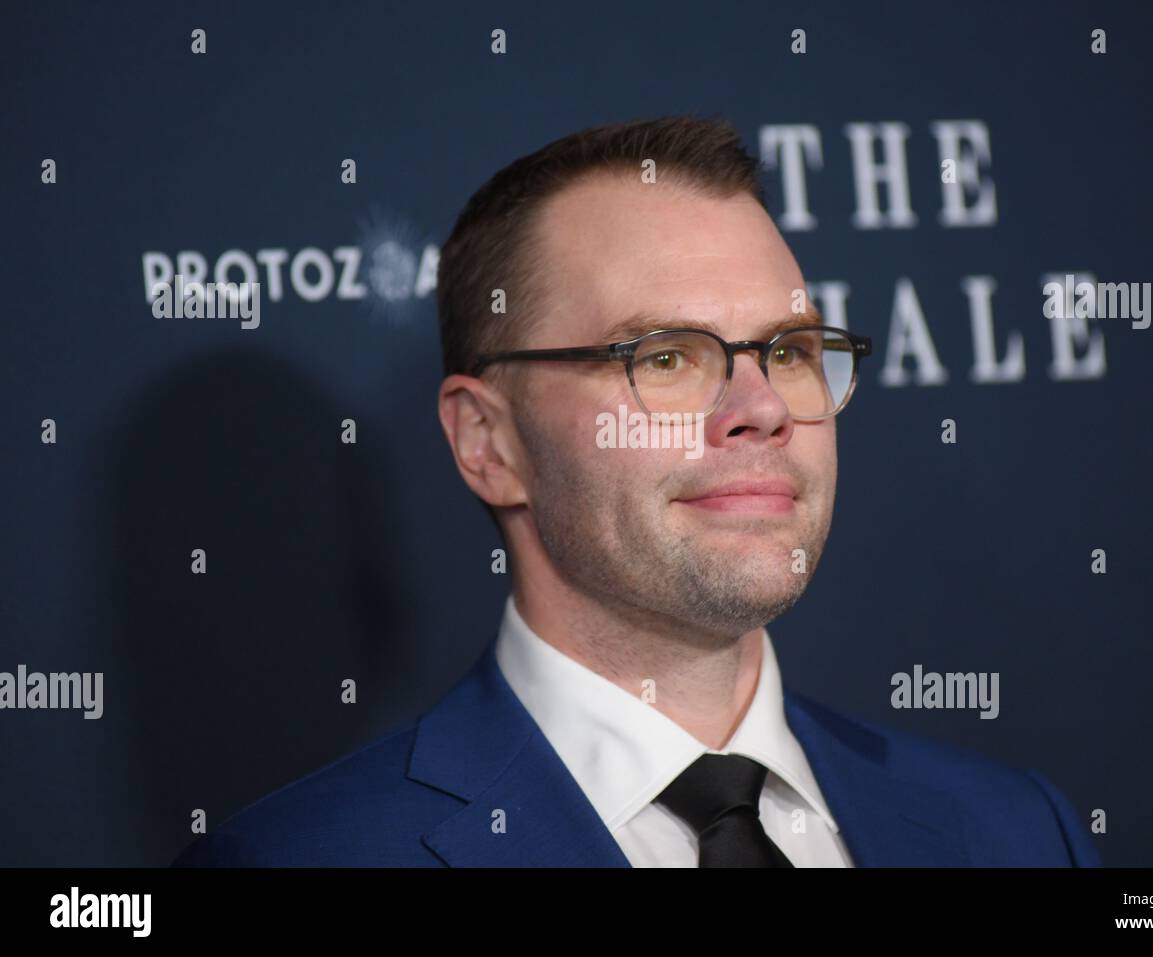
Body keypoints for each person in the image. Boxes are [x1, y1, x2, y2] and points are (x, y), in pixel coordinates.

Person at [172, 115, 1099, 867]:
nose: (764, 408)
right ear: (489, 443)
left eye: (788, 351)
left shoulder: (1016, 832)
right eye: (665, 357)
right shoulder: (303, 860)